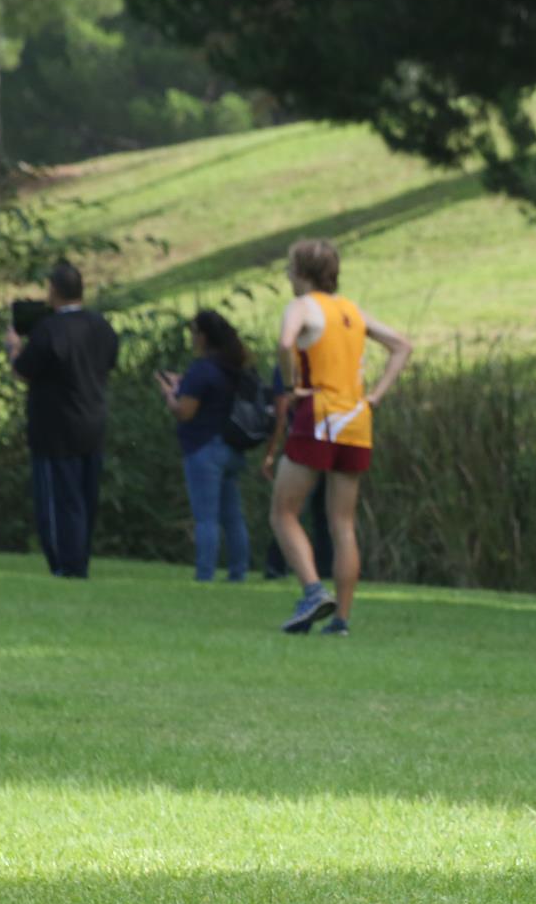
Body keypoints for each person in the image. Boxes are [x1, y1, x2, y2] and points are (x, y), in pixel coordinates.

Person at [270, 239, 412, 634]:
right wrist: (376, 396)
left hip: (318, 416)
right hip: (357, 421)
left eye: (289, 268)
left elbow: (285, 343)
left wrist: (292, 382)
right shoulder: (352, 310)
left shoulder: (301, 307)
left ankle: (313, 591)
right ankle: (342, 620)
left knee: (283, 511)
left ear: (300, 271)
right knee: (342, 522)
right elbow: (402, 346)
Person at [5, 260, 118, 579]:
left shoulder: (49, 330)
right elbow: (108, 364)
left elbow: (23, 371)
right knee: (85, 498)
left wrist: (13, 349)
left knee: (57, 501)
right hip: (93, 421)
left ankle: (64, 564)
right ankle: (79, 558)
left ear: (53, 291)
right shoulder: (101, 327)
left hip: (55, 427)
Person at [156, 309, 252, 582]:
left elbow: (184, 411)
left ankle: (205, 573)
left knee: (206, 518)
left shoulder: (202, 370)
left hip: (204, 449)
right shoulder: (230, 367)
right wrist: (182, 384)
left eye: (194, 333)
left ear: (203, 336)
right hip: (231, 447)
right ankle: (238, 571)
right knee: (233, 516)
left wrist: (169, 395)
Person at [259, 362, 333, 581]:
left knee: (286, 511)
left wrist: (271, 452)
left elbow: (281, 414)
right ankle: (326, 568)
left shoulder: (289, 366)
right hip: (337, 441)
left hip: (304, 444)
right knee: (326, 513)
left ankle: (277, 564)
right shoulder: (332, 363)